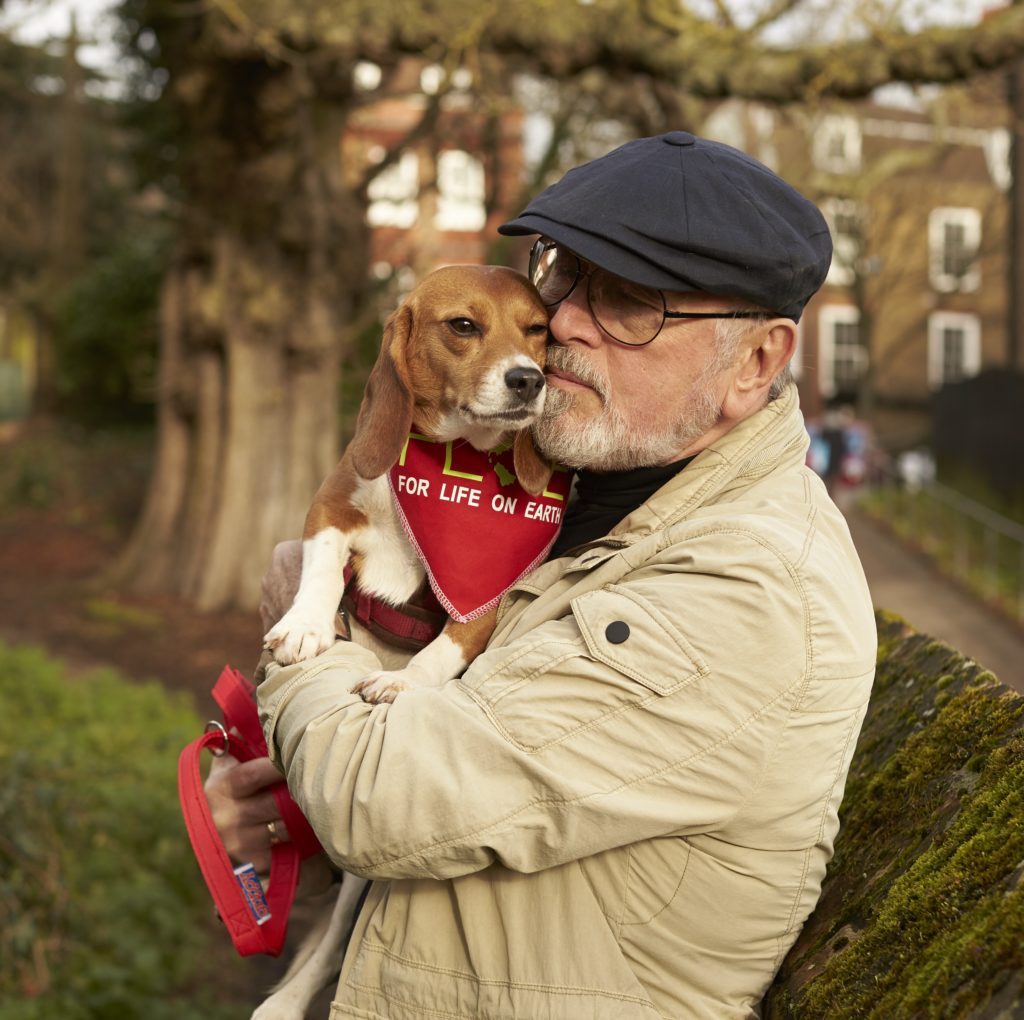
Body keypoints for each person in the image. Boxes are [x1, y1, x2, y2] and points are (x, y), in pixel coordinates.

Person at [206, 131, 877, 1019]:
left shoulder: (743, 589)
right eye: (562, 272)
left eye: (631, 303)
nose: (560, 322)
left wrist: (309, 632)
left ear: (754, 364)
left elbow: (387, 801)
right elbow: (485, 794)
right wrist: (292, 813)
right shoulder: (588, 488)